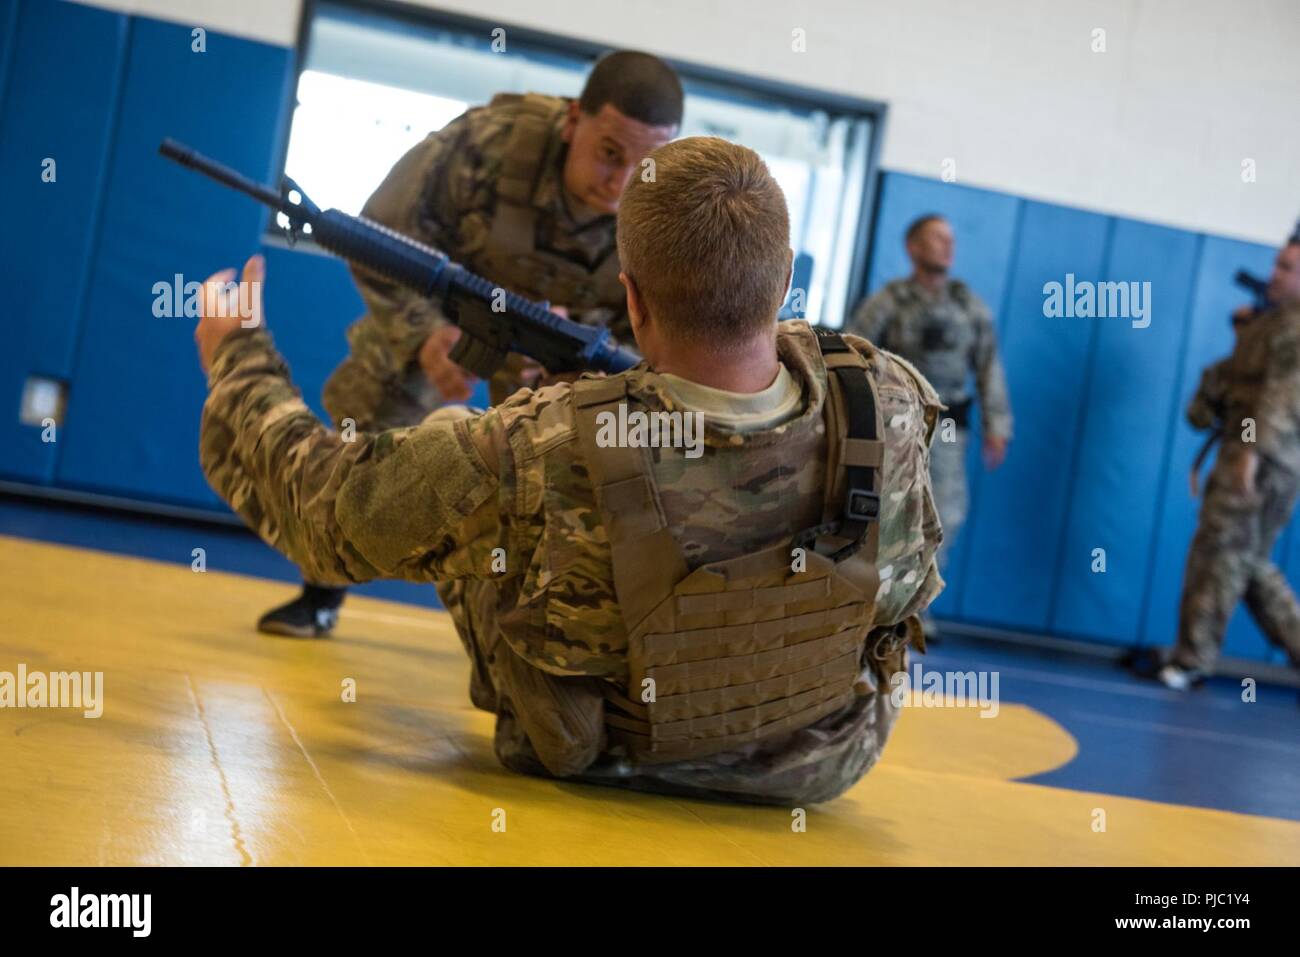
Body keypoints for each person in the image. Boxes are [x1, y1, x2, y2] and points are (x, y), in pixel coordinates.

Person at [194, 137, 944, 805]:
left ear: (632, 296)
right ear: (783, 280)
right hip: (817, 765)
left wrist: (239, 357)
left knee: (460, 445)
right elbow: (899, 595)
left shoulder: (540, 445)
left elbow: (329, 514)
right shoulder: (888, 402)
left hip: (604, 757)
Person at [259, 50, 683, 638]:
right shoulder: (487, 143)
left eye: (644, 164)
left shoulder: (668, 204)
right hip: (455, 313)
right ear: (570, 121)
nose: (622, 181)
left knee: (582, 469)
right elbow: (380, 236)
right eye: (610, 154)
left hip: (570, 352)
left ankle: (542, 633)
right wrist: (423, 332)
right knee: (369, 426)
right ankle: (320, 591)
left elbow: (669, 336)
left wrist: (588, 362)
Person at [845, 214, 1012, 634]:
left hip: (949, 426)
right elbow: (853, 351)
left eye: (951, 239)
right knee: (887, 510)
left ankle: (916, 605)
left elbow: (989, 366)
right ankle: (872, 598)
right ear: (913, 248)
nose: (947, 246)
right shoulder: (890, 301)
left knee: (947, 513)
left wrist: (998, 424)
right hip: (896, 422)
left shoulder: (967, 307)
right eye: (936, 239)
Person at [1160, 236, 1300, 690]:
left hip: (1265, 459)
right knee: (1243, 560)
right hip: (1244, 451)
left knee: (1225, 557)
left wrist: (1252, 455)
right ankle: (1192, 653)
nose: (1274, 274)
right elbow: (1219, 397)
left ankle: (1193, 658)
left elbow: (1280, 398)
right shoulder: (1268, 324)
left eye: (1286, 268)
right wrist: (1243, 339)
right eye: (1276, 265)